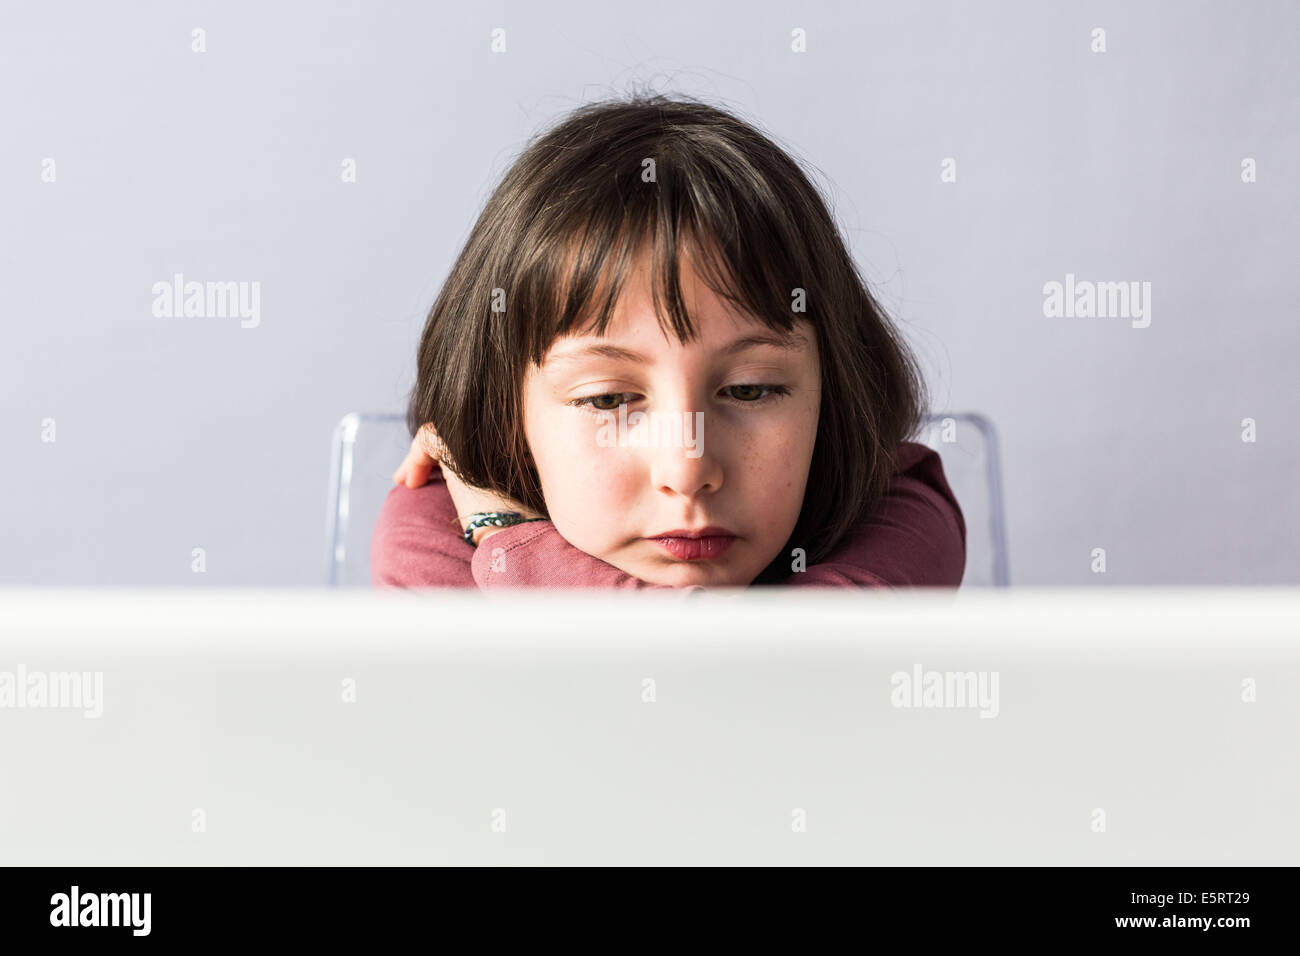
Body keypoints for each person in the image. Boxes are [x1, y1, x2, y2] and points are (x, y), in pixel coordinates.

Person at [371, 93, 965, 591]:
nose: (687, 470)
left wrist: (503, 532)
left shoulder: (902, 511)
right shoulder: (437, 519)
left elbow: (733, 673)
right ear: (502, 409)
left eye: (750, 389)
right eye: (607, 399)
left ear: (832, 393)